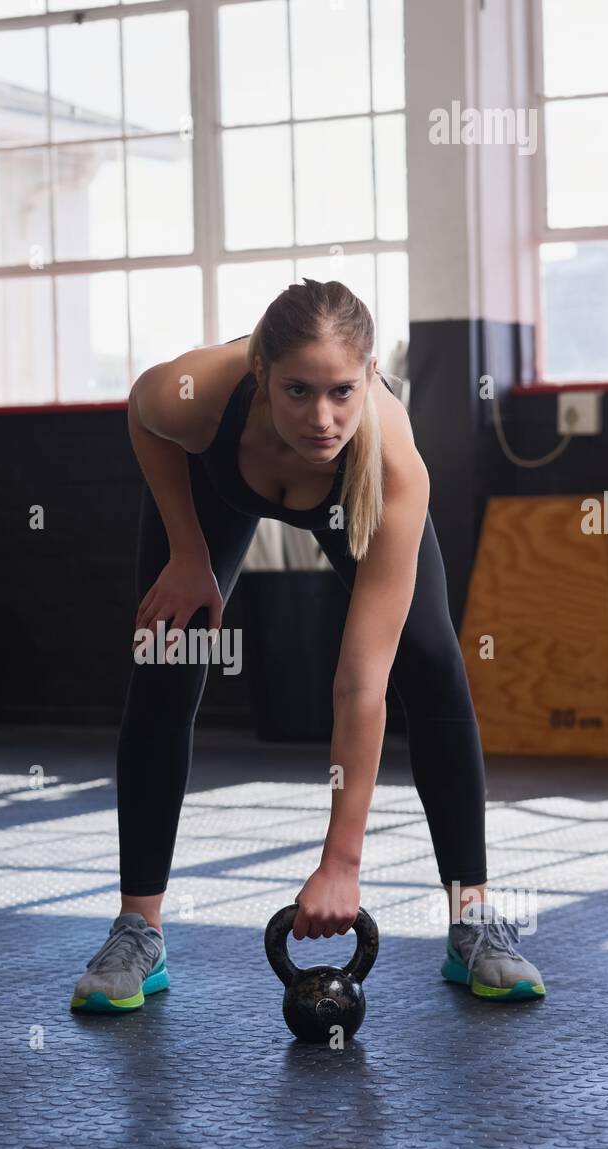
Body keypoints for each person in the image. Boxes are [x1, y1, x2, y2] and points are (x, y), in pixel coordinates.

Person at [70, 279, 545, 1013]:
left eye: (340, 393)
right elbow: (142, 410)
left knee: (430, 669)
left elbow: (359, 685)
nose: (320, 419)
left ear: (370, 380)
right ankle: (139, 927)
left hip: (350, 499)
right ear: (260, 373)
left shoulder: (392, 470)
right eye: (296, 390)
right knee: (168, 658)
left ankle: (473, 917)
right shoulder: (198, 398)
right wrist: (188, 551)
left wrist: (340, 864)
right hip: (214, 487)